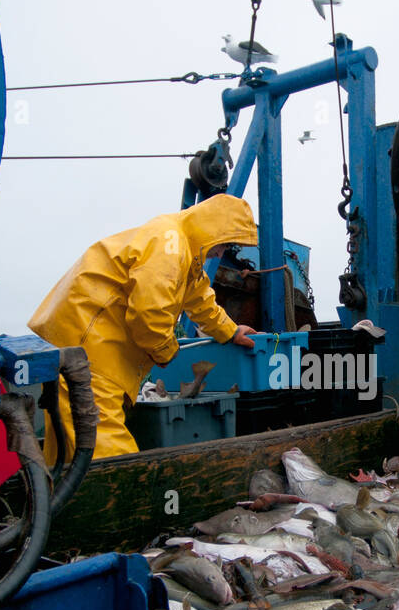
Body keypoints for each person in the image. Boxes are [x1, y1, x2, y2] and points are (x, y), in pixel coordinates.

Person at [29, 194, 259, 459]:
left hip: (94, 355)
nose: (221, 253)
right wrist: (166, 351)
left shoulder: (183, 252)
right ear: (212, 229)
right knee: (112, 458)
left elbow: (199, 299)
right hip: (89, 356)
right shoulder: (169, 242)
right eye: (224, 244)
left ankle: (60, 500)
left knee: (67, 456)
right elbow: (149, 313)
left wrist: (230, 331)